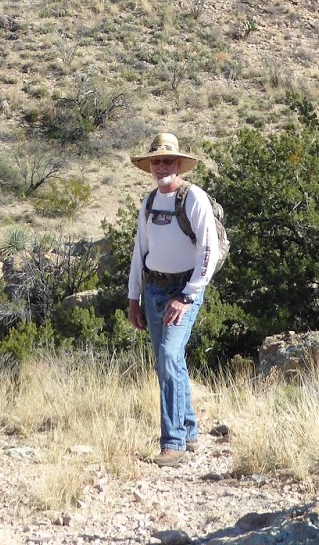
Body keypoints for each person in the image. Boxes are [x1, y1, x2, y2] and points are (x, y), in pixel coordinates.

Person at [126, 131, 221, 465]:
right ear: (149, 165)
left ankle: (173, 443)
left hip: (183, 290)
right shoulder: (149, 203)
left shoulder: (193, 198)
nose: (161, 166)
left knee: (167, 356)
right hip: (153, 290)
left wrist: (187, 296)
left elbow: (209, 252)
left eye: (167, 160)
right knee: (170, 360)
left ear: (179, 163)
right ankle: (189, 429)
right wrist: (133, 297)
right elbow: (140, 251)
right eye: (156, 160)